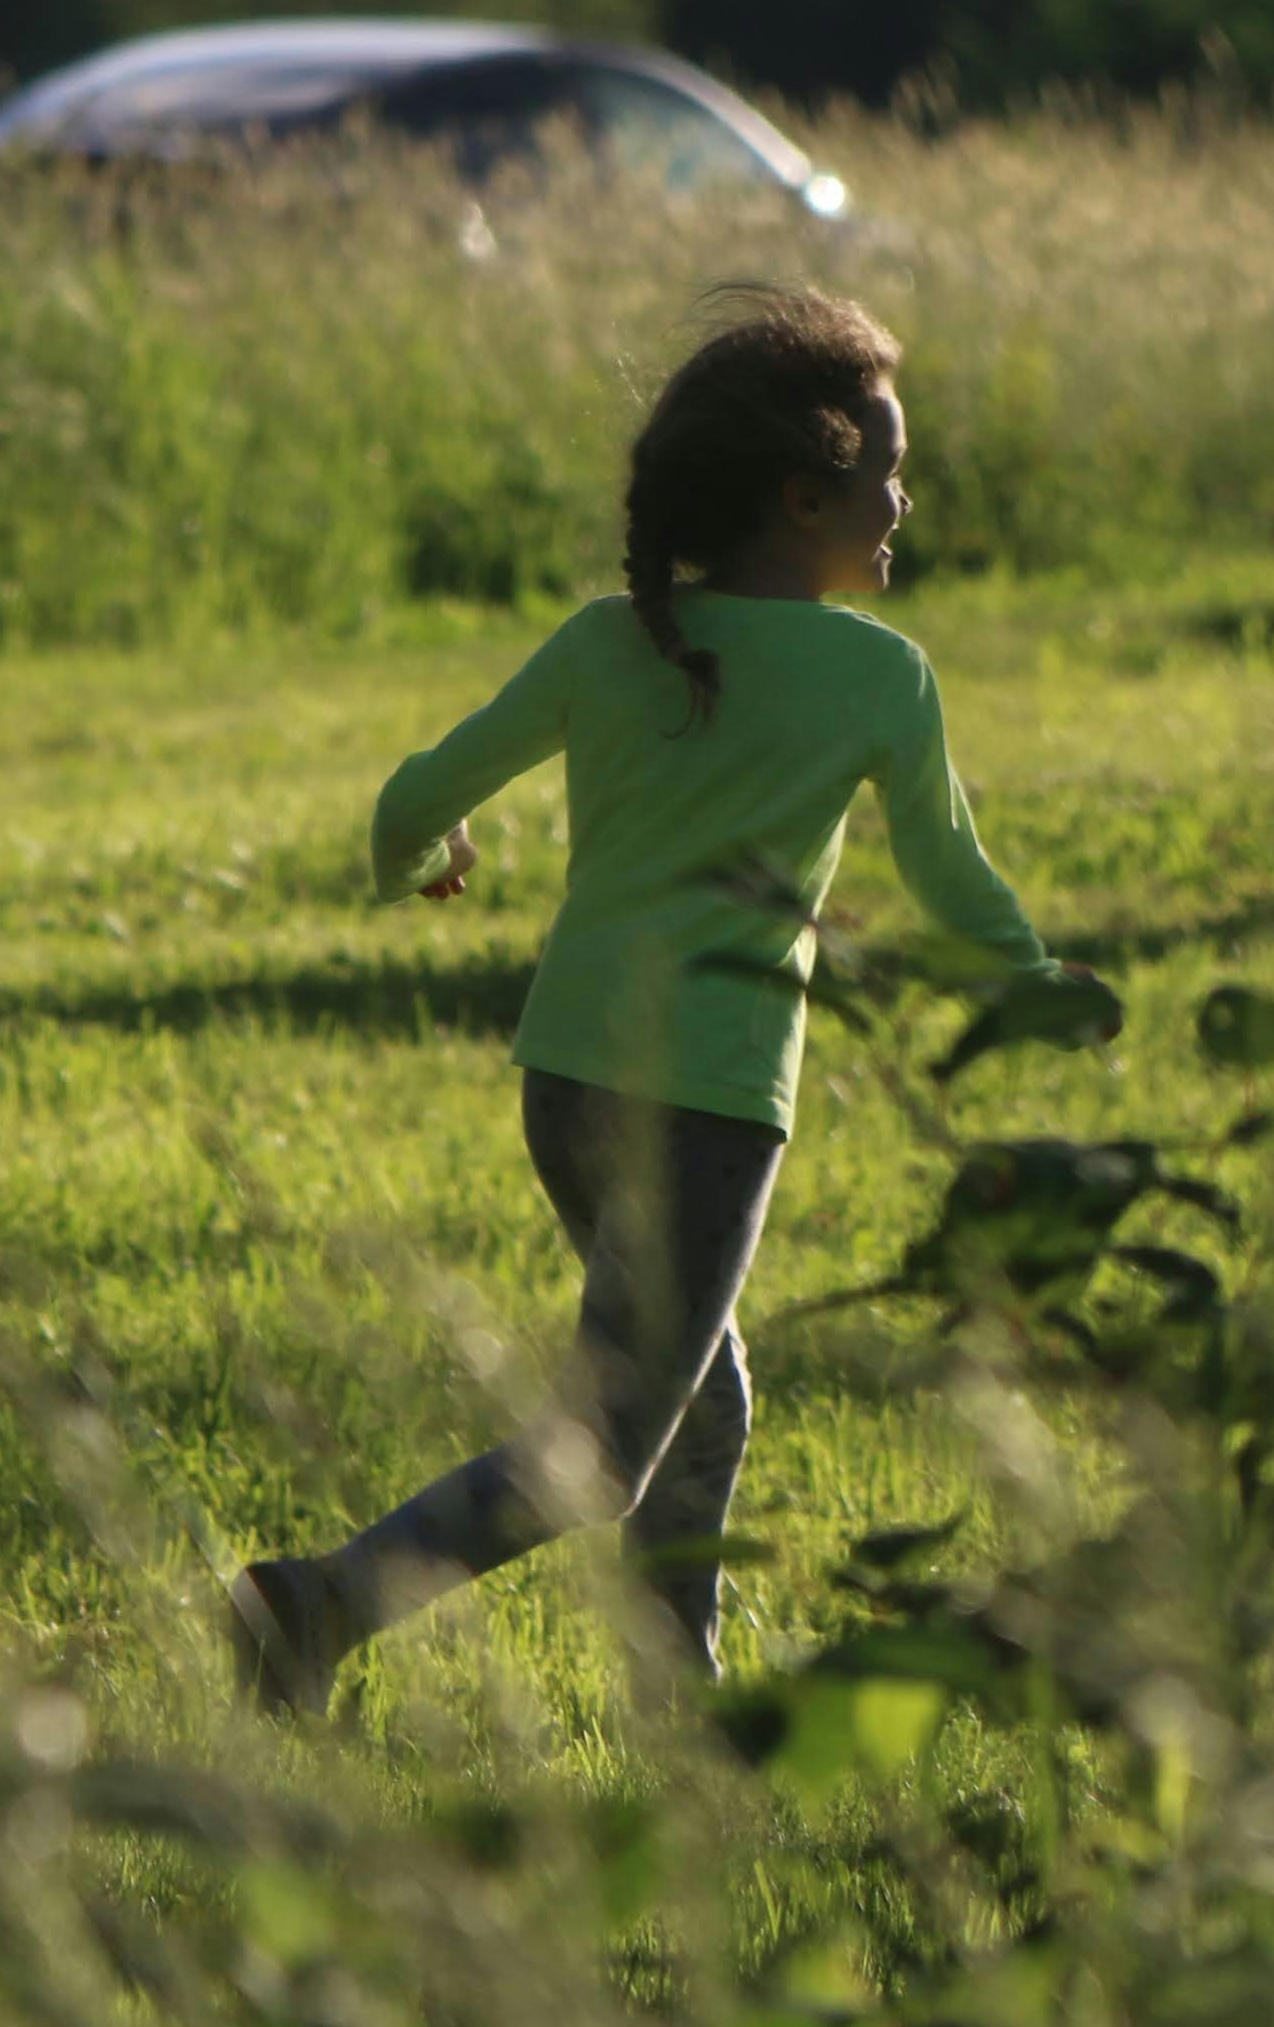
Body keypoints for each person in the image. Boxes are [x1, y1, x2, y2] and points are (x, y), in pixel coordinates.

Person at [229, 284, 1096, 1715]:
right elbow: (952, 876)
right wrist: (1034, 987)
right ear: (799, 498)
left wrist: (422, 862)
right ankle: (319, 1602)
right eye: (882, 472)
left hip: (565, 1079)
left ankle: (678, 1721)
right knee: (612, 1439)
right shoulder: (880, 674)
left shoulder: (603, 638)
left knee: (701, 1406)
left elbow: (408, 801)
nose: (903, 499)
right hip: (702, 1103)